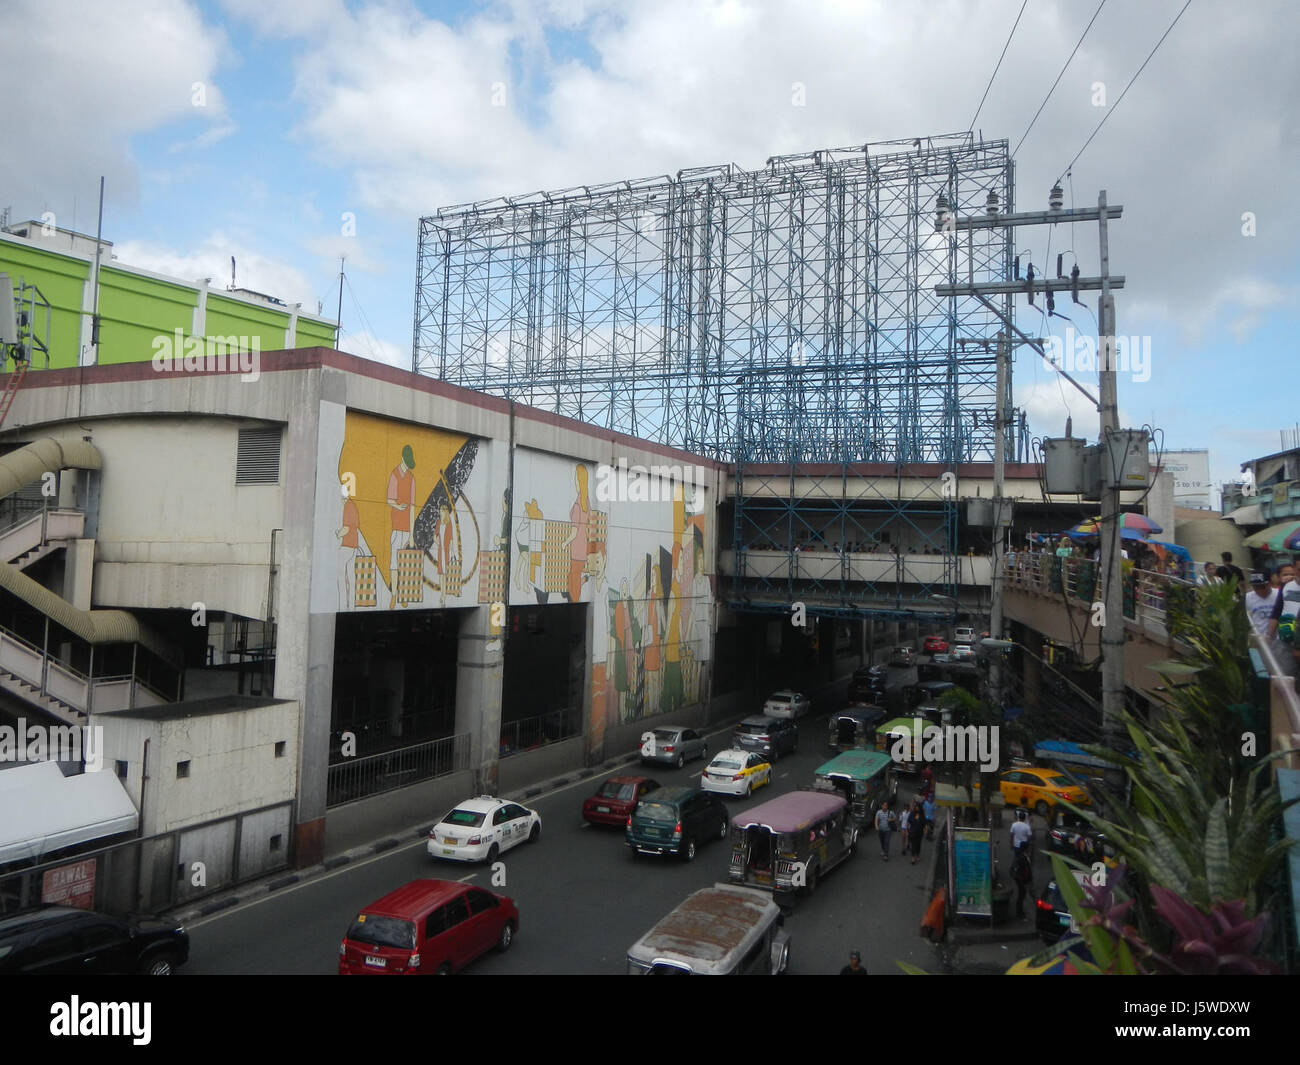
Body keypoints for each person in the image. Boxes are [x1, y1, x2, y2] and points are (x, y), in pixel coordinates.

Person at [1246, 571, 1280, 639]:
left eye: (1262, 586)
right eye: (1255, 587)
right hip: (1260, 639)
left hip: (1279, 639)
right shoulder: (1247, 598)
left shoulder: (1279, 595)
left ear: (1269, 583)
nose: (1259, 590)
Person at [1012, 846, 1034, 918]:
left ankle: (1020, 911)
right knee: (1021, 895)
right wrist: (1025, 880)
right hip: (1022, 880)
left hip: (1022, 880)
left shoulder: (1023, 856)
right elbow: (1024, 870)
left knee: (1022, 895)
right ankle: (1019, 912)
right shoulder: (1022, 858)